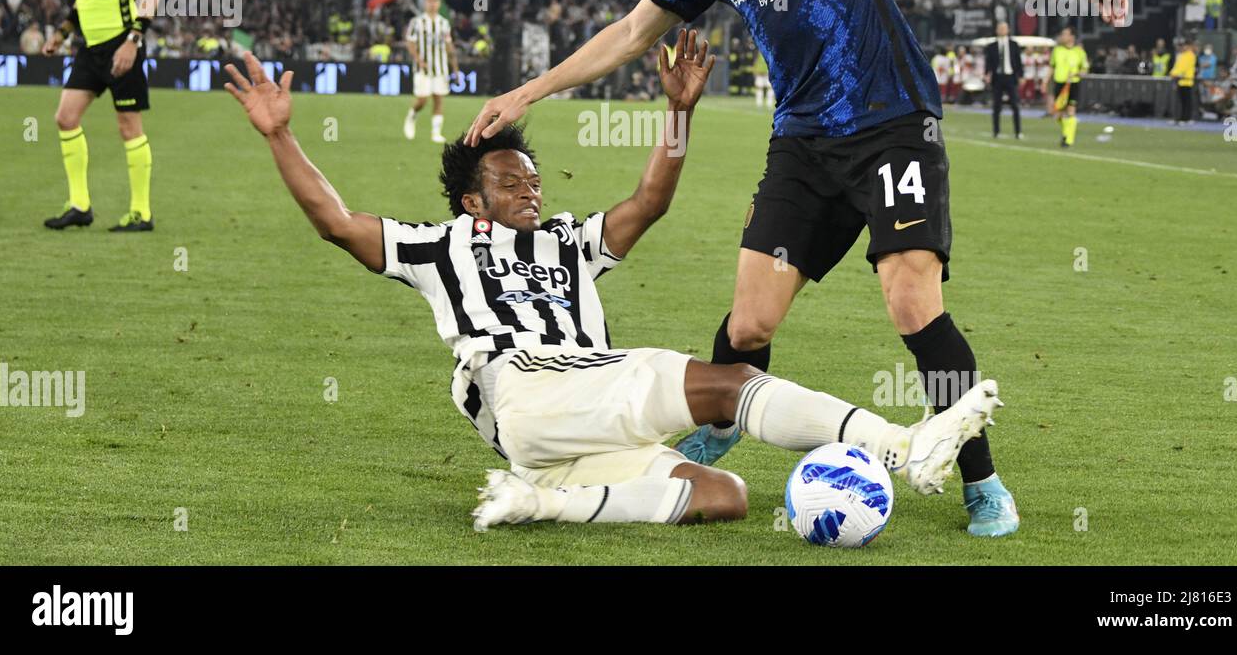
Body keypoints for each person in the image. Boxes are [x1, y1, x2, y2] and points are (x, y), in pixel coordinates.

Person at [468, 0, 1126, 537]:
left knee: (913, 302)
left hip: (891, 126)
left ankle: (981, 480)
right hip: (805, 143)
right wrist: (528, 90)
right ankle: (722, 426)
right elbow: (635, 30)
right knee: (747, 327)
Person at [222, 41, 1000, 530]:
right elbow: (336, 220)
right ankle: (905, 446)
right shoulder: (440, 244)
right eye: (510, 181)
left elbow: (647, 203)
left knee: (722, 495)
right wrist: (282, 134)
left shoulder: (568, 241)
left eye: (532, 179)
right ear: (472, 201)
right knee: (729, 381)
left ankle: (546, 500)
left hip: (567, 430)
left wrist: (678, 115)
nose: (530, 191)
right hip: (524, 383)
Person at [42, 0, 160, 231]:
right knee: (65, 118)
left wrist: (133, 41)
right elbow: (81, 5)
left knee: (128, 128)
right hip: (90, 51)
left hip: (122, 47)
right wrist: (62, 34)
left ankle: (142, 213)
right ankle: (80, 205)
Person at [403, 0, 458, 143]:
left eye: (435, 1)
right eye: (429, 1)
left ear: (439, 3)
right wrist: (418, 59)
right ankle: (412, 115)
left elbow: (448, 46)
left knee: (438, 99)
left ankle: (436, 133)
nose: (432, 4)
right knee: (422, 100)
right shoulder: (417, 22)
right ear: (424, 3)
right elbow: (410, 42)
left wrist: (456, 68)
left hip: (440, 68)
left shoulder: (444, 23)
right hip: (423, 68)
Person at [1048, 27, 1089, 147]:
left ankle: (1068, 139)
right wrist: (1045, 81)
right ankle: (1066, 133)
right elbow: (1052, 66)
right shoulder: (1057, 50)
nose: (1062, 37)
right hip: (1059, 83)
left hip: (1073, 83)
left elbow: (1085, 69)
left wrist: (1077, 73)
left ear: (1072, 37)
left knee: (1071, 111)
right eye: (1062, 34)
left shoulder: (1079, 51)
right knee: (1058, 114)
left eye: (1065, 34)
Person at [983, 22, 1023, 138]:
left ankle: (1018, 132)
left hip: (1011, 77)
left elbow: (1018, 61)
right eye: (1000, 28)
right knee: (996, 106)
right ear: (996, 30)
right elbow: (988, 62)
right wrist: (987, 74)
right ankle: (996, 131)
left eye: (1004, 28)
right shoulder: (992, 46)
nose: (1002, 30)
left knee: (1015, 105)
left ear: (1008, 30)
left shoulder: (1014, 45)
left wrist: (1020, 75)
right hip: (997, 77)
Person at [1170, 39, 1198, 124]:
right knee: (1180, 101)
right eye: (1183, 45)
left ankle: (1186, 119)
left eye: (1185, 45)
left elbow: (1184, 67)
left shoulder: (1191, 55)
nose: (1184, 47)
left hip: (1187, 81)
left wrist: (1176, 73)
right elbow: (1177, 66)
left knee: (1187, 102)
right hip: (1180, 81)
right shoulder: (1181, 55)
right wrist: (1172, 73)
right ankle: (1178, 119)